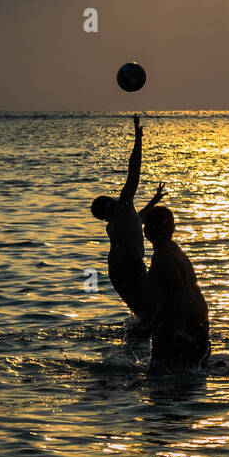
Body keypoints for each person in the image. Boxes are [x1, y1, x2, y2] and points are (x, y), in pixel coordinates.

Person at [90, 114, 158, 328]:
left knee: (144, 318)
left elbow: (137, 222)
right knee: (154, 315)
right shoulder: (123, 204)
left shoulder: (118, 221)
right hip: (131, 269)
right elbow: (134, 170)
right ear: (112, 200)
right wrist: (138, 139)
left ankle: (127, 354)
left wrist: (153, 202)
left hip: (118, 272)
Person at [144, 206, 211, 367]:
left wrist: (180, 329)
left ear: (148, 231)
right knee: (194, 372)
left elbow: (178, 291)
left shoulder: (162, 256)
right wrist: (152, 325)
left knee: (159, 378)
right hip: (199, 318)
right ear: (173, 228)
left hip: (180, 323)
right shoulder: (176, 250)